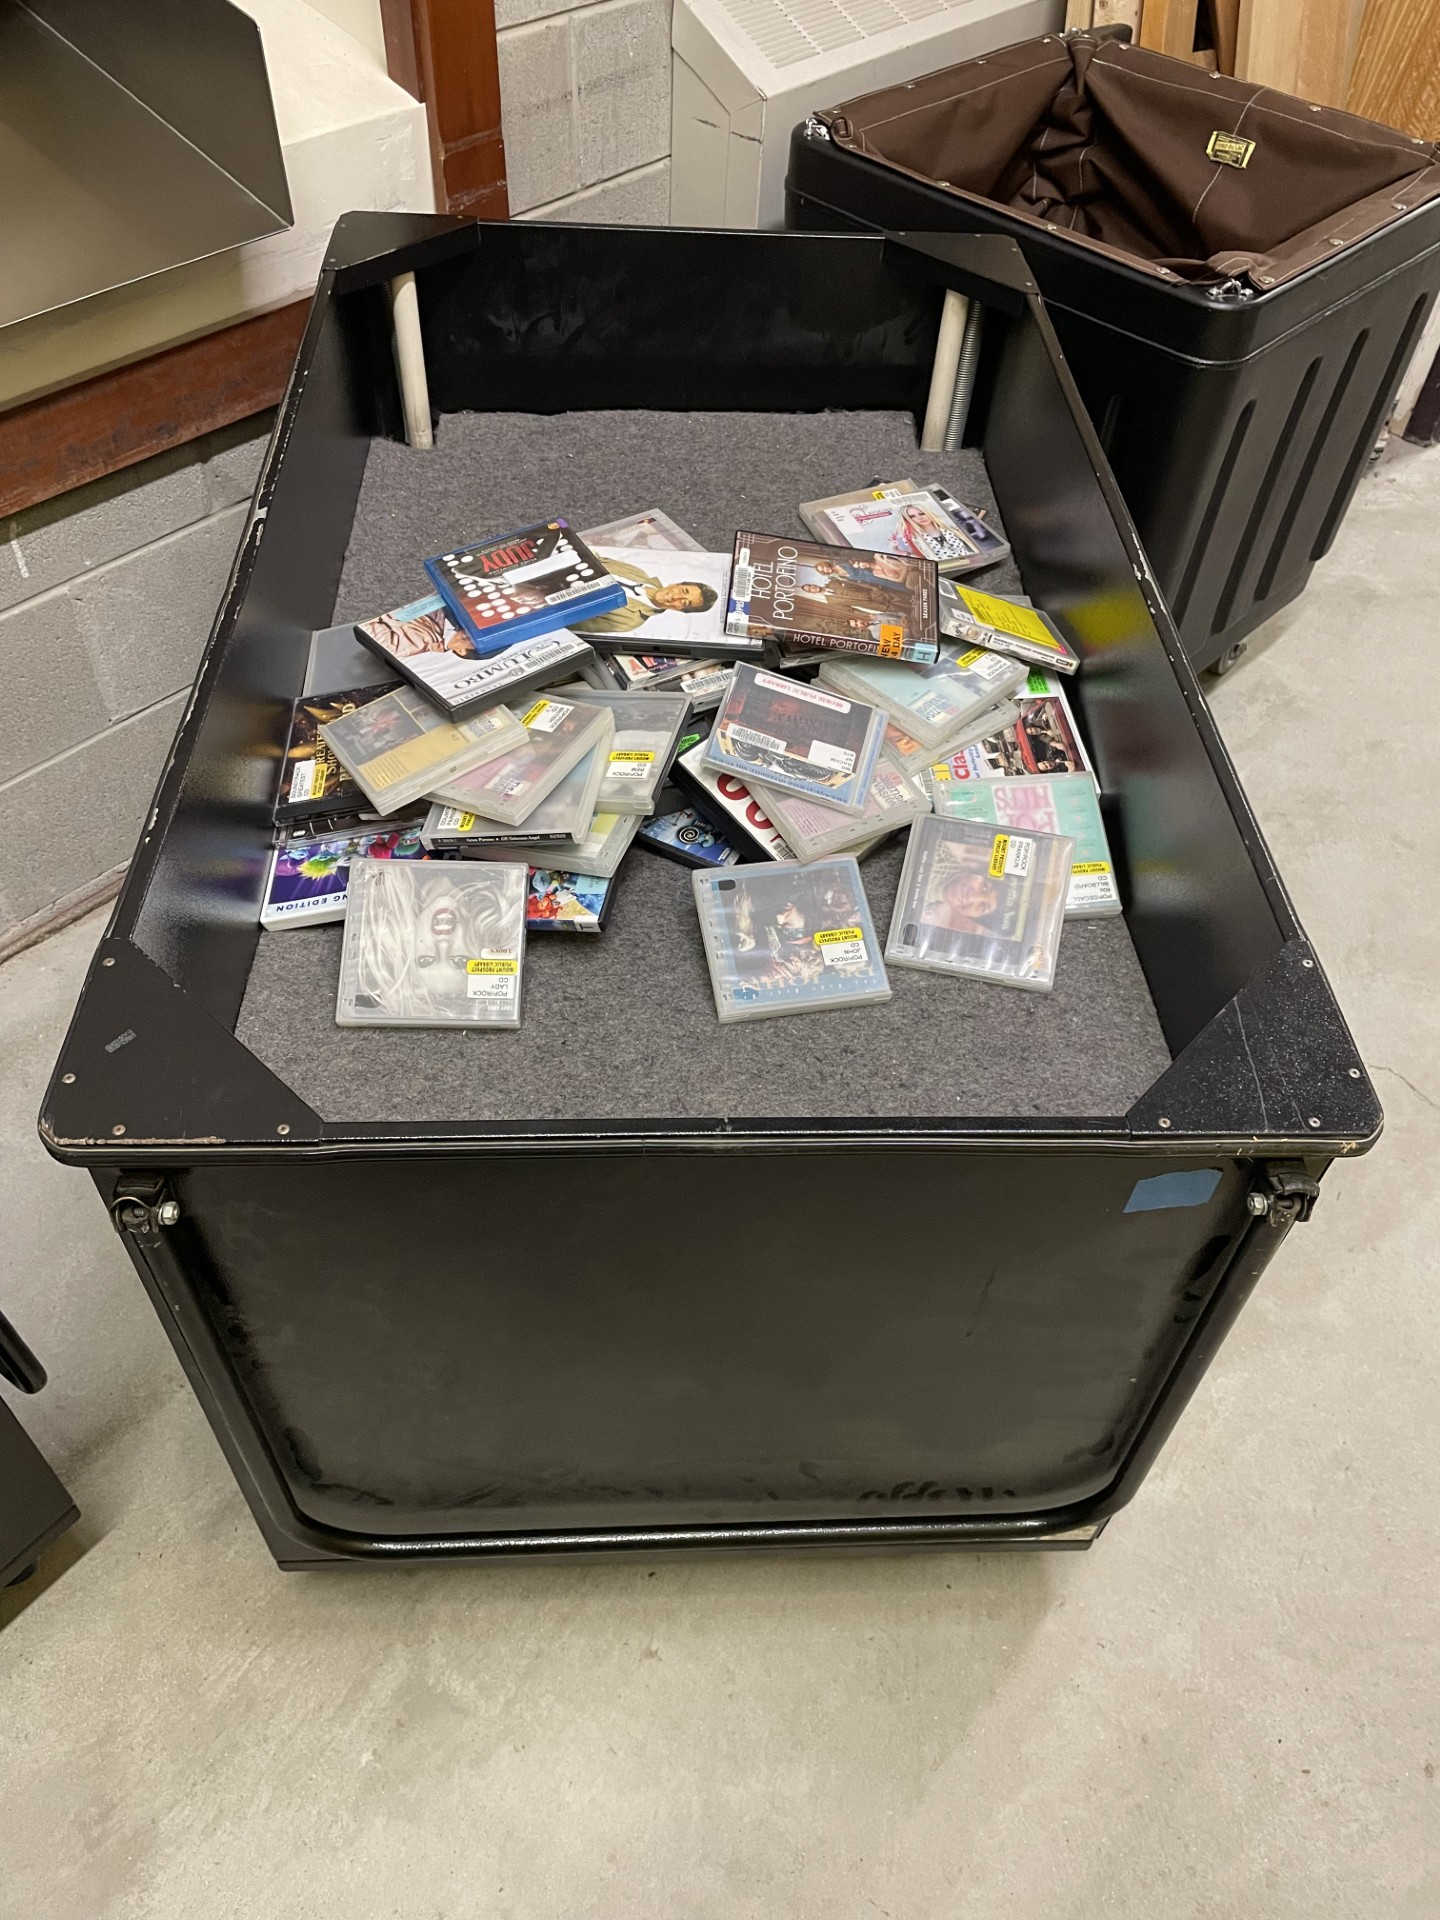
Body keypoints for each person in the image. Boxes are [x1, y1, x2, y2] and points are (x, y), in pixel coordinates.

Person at [576, 557, 719, 635]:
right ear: (677, 583)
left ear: (680, 610)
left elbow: (573, 622)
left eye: (685, 603)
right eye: (683, 591)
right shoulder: (638, 572)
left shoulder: (629, 621)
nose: (676, 598)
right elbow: (593, 557)